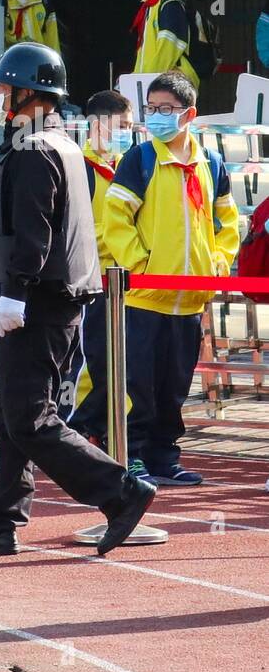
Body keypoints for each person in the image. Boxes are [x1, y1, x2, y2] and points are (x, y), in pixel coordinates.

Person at [0, 41, 156, 557]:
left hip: (37, 303)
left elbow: (32, 236)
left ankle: (120, 491)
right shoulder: (48, 144)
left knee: (29, 420)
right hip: (50, 301)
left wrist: (13, 298)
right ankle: (0, 522)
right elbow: (8, 211)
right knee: (10, 417)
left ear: (29, 93)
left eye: (3, 87)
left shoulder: (34, 150)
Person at [103, 71, 239, 485]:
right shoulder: (141, 158)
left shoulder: (211, 163)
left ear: (190, 114)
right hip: (144, 300)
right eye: (153, 109)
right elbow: (116, 218)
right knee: (138, 387)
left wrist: (217, 263)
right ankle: (135, 458)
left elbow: (227, 222)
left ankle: (165, 458)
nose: (157, 116)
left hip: (191, 301)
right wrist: (140, 265)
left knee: (175, 388)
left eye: (167, 109)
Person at [64, 89, 135, 444]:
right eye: (120, 125)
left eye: (128, 125)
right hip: (94, 281)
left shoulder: (128, 166)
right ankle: (79, 429)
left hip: (127, 280)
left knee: (124, 363)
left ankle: (105, 430)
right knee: (98, 365)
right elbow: (75, 225)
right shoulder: (80, 166)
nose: (126, 131)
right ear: (96, 124)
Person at [122, 0, 198, 81]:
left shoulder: (170, 5)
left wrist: (149, 80)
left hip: (170, 85)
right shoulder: (152, 5)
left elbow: (168, 50)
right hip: (155, 83)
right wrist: (135, 78)